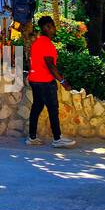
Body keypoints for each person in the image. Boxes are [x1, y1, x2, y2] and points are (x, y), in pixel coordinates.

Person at [27, 16, 75, 147]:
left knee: (37, 107)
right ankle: (57, 138)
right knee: (53, 109)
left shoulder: (36, 42)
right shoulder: (46, 43)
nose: (54, 29)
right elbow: (50, 65)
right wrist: (63, 81)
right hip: (45, 81)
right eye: (53, 26)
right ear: (47, 27)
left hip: (34, 79)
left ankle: (32, 137)